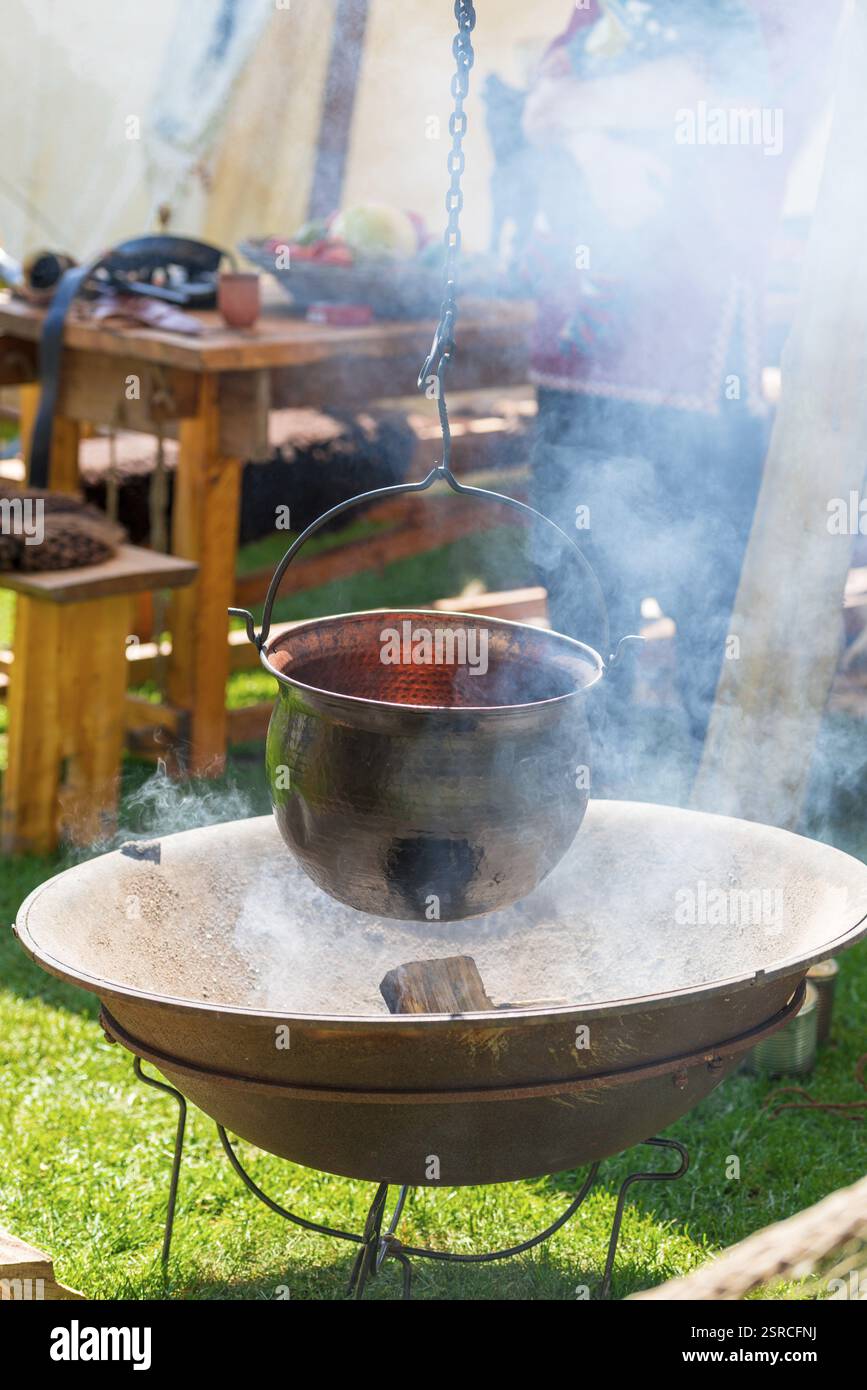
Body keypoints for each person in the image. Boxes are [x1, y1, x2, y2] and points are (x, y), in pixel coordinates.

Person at [521, 0, 841, 781]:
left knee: (708, 618)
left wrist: (588, 109)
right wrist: (601, 149)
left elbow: (730, 100)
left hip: (694, 372)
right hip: (577, 354)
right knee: (578, 610)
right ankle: (584, 812)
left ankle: (724, 830)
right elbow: (537, 104)